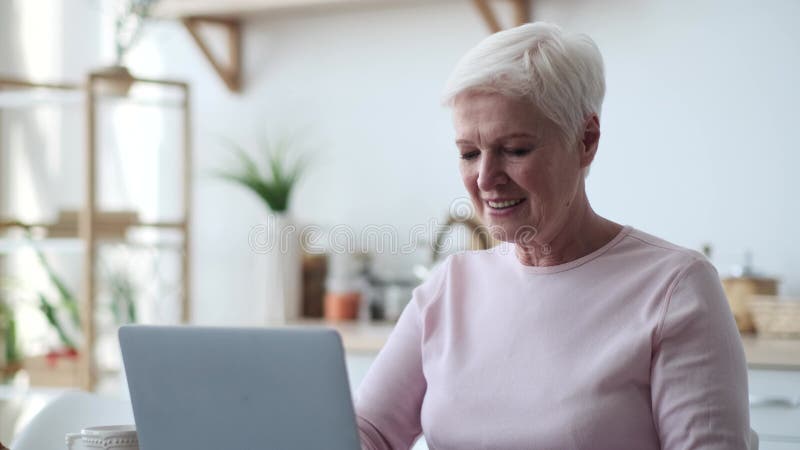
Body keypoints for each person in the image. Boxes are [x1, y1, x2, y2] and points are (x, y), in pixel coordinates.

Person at [354, 22, 751, 449]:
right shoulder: (449, 288)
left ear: (586, 139)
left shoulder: (675, 289)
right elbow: (368, 431)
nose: (485, 178)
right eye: (469, 153)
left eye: (515, 149)